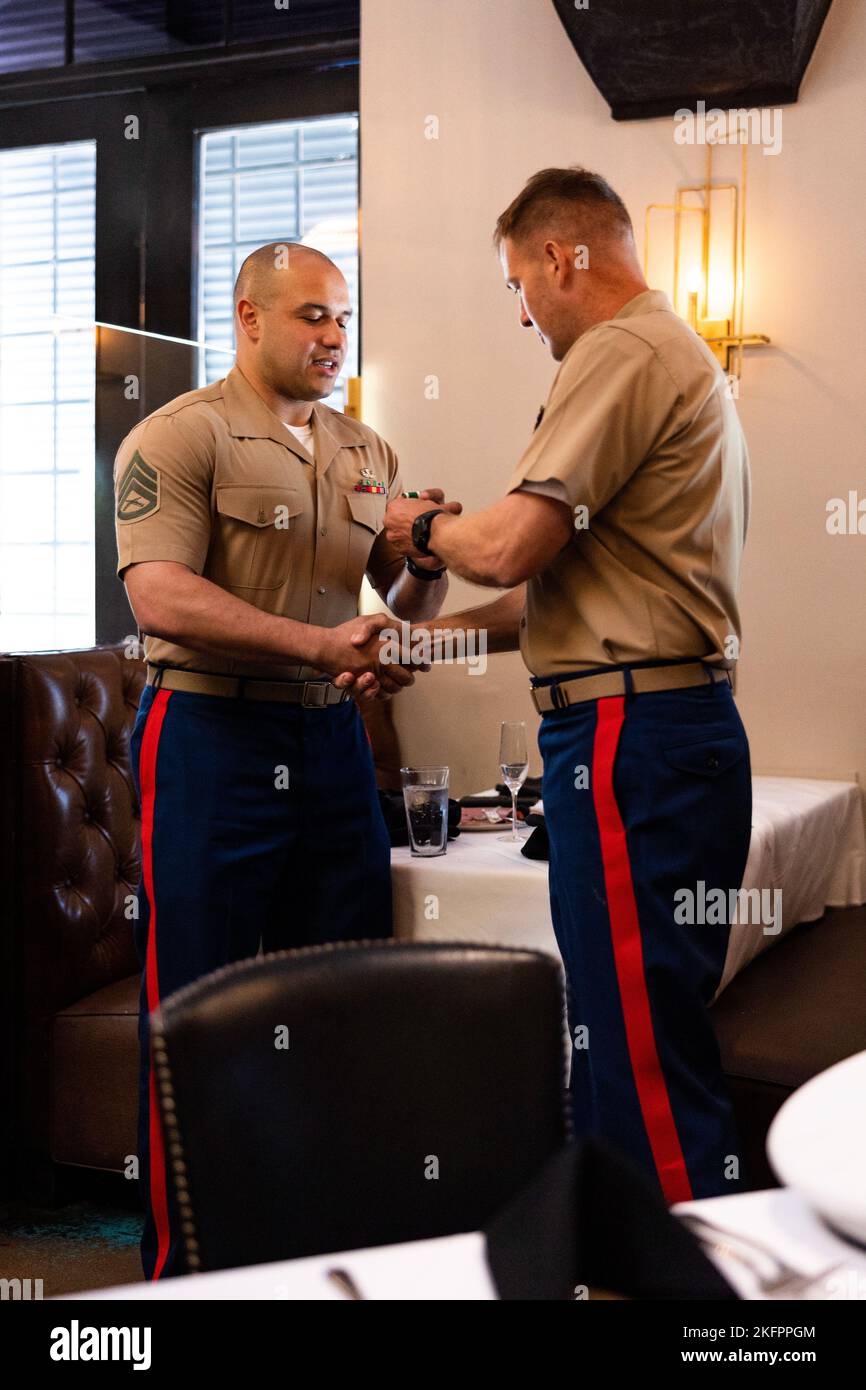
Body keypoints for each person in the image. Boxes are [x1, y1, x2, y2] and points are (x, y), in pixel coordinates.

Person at [381, 168, 752, 1203]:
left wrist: (411, 525)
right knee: (621, 1029)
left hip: (630, 734)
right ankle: (622, 1259)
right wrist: (417, 645)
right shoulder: (673, 354)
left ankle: (699, 1310)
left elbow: (503, 548)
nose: (521, 309)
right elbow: (555, 595)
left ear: (559, 256)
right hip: (661, 721)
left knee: (639, 1058)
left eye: (516, 282)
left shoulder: (620, 347)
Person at [115, 242, 458, 1279]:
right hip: (210, 735)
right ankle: (188, 1270)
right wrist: (322, 644)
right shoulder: (176, 437)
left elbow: (402, 608)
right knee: (198, 1005)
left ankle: (323, 1256)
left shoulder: (368, 451)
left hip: (327, 741)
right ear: (249, 318)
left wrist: (423, 569)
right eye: (310, 316)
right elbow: (157, 596)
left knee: (341, 994)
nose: (331, 338)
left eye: (342, 320)